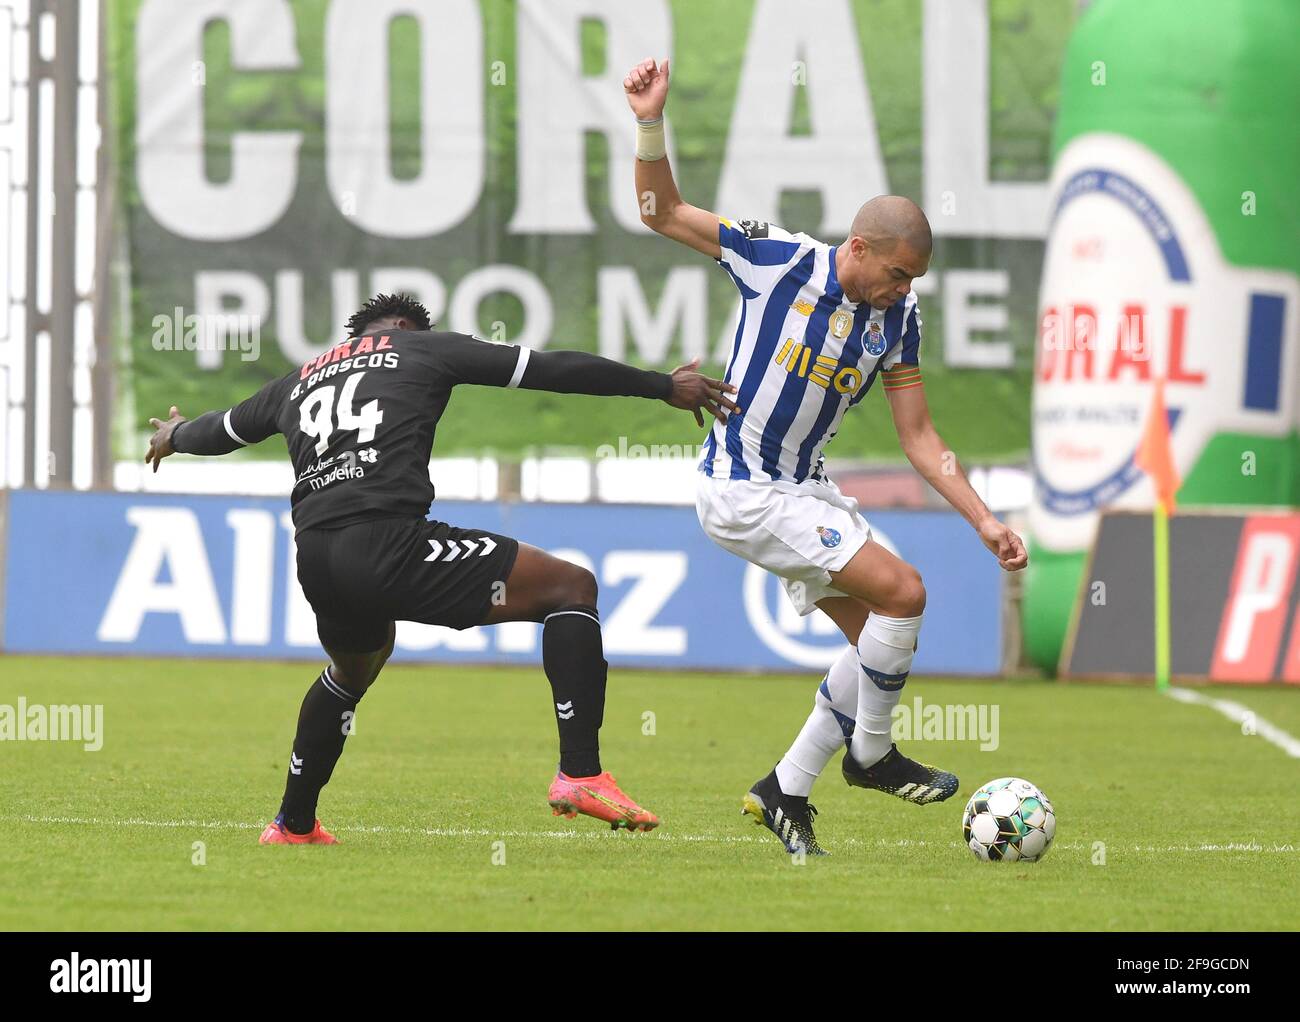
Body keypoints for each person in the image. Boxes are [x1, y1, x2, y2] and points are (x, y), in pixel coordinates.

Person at [145, 292, 738, 844]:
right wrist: (661, 385)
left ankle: (293, 823)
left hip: (317, 557)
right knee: (569, 587)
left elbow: (219, 431)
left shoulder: (295, 381)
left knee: (351, 674)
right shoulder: (423, 348)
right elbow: (553, 369)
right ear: (404, 328)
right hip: (388, 543)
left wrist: (172, 435)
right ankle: (580, 773)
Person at [624, 58, 1028, 854]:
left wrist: (984, 519)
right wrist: (648, 121)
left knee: (875, 635)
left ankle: (785, 789)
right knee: (904, 593)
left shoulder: (897, 319)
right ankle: (871, 756)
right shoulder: (779, 261)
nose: (904, 288)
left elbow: (919, 436)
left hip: (802, 489)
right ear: (862, 247)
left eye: (914, 280)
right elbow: (661, 212)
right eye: (899, 273)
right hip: (743, 488)